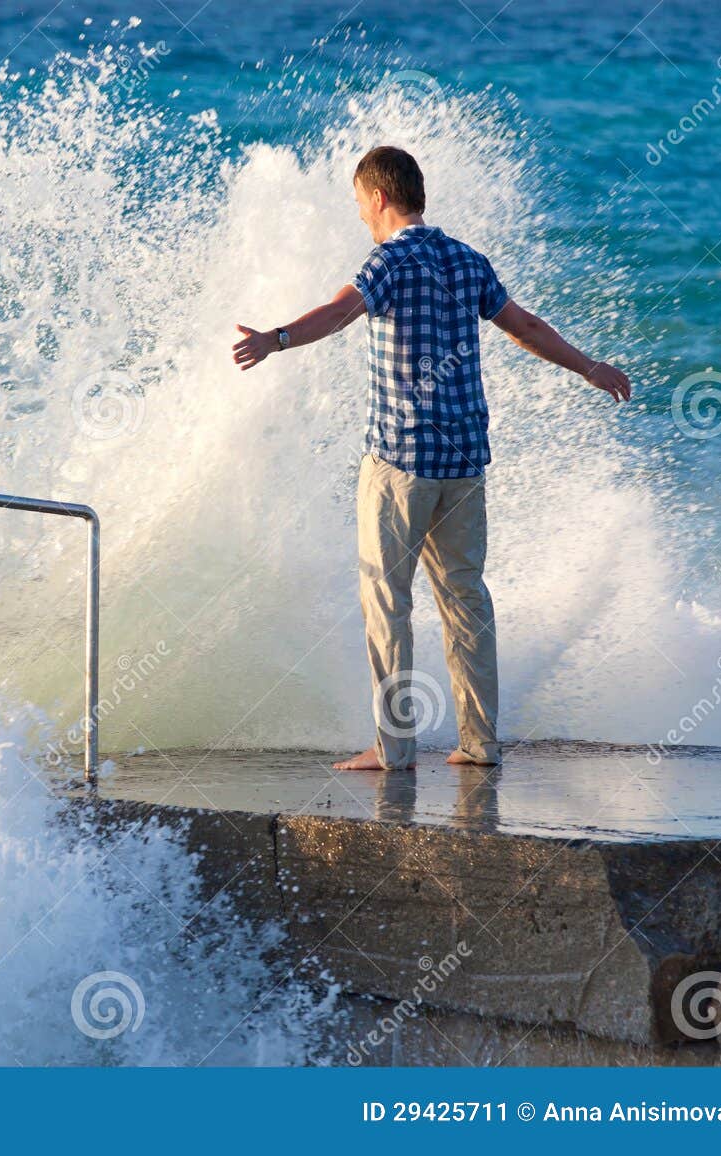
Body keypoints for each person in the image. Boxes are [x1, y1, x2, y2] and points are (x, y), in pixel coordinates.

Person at [231, 145, 630, 771]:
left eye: (360, 200)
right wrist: (589, 367)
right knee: (465, 598)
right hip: (465, 462)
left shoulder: (387, 261)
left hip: (401, 461)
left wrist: (275, 339)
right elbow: (524, 326)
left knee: (388, 599)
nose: (359, 211)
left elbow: (338, 315)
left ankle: (394, 748)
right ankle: (480, 743)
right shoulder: (467, 260)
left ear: (381, 198)